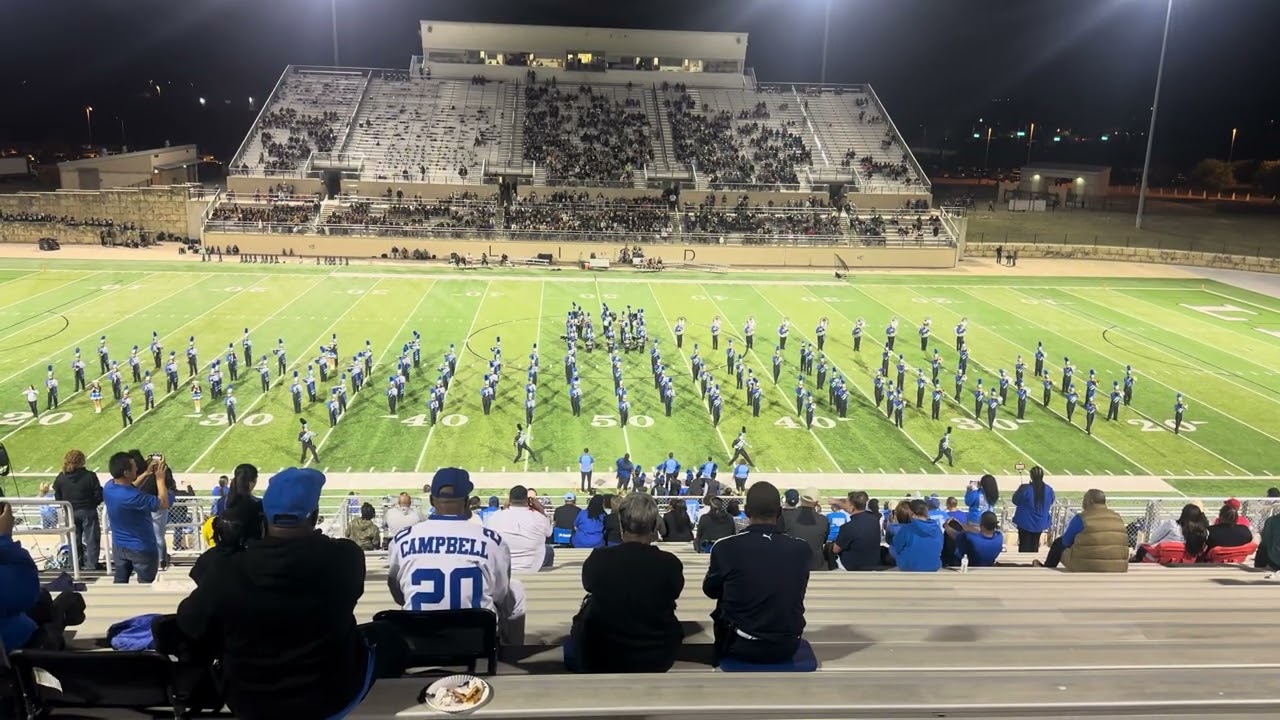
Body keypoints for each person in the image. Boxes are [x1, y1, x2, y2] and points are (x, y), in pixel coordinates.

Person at [174, 467, 397, 719]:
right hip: (331, 699)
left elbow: (189, 624)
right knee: (385, 633)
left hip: (250, 703)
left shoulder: (226, 570)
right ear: (314, 517)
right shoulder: (346, 558)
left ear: (264, 518)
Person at [387, 468, 526, 645]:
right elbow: (500, 593)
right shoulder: (492, 541)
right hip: (476, 641)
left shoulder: (401, 540)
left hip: (419, 639)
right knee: (517, 589)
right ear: (467, 501)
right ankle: (514, 654)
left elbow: (398, 595)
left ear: (431, 500)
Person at [568, 493, 684, 673]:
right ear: (653, 526)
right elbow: (674, 592)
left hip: (601, 654)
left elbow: (589, 585)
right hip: (657, 656)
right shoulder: (670, 563)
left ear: (621, 524)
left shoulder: (599, 558)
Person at [703, 481, 810, 665]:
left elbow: (711, 591)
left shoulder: (725, 547)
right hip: (788, 645)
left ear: (746, 511)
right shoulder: (801, 548)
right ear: (779, 512)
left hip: (741, 645)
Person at [103, 451, 171, 583]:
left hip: (119, 547)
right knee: (146, 586)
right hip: (141, 548)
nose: (137, 469)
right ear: (126, 473)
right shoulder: (134, 497)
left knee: (120, 583)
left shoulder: (109, 487)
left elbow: (130, 486)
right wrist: (160, 479)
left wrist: (146, 474)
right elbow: (163, 503)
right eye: (134, 466)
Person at [1038, 489, 1128, 572]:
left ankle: (1047, 568)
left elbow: (1066, 542)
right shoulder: (1117, 517)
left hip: (1087, 566)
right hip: (1119, 567)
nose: (1082, 503)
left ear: (1090, 501)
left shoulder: (1081, 518)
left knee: (1058, 543)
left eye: (1084, 500)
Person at [52, 449, 102, 571]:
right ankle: (91, 565)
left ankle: (75, 565)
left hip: (70, 512)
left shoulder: (61, 478)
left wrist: (65, 506)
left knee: (73, 541)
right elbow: (98, 494)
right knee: (92, 540)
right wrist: (92, 504)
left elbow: (57, 496)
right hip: (88, 511)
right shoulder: (90, 476)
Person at [486, 485, 554, 573]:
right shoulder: (540, 518)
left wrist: (504, 508)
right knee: (548, 550)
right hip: (533, 567)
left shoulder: (495, 517)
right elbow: (549, 533)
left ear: (509, 500)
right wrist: (541, 509)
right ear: (527, 500)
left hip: (504, 566)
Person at [1132, 503, 1208, 563]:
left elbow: (1153, 539)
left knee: (1141, 548)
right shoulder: (1202, 533)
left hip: (1159, 559)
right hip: (1186, 562)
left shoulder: (1172, 525)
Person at [832, 492, 883, 571]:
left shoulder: (848, 527)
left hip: (852, 567)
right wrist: (837, 502)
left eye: (847, 503)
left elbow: (835, 549)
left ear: (852, 507)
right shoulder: (874, 519)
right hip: (872, 564)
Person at [889, 499, 944, 572]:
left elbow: (896, 546)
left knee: (892, 547)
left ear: (911, 513)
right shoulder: (937, 529)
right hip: (933, 566)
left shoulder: (907, 529)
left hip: (909, 567)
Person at [783, 488, 831, 571]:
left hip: (791, 564)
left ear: (801, 499)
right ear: (816, 503)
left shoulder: (787, 517)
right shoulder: (823, 520)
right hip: (816, 565)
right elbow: (823, 540)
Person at [1011, 466, 1055, 551]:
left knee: (1024, 546)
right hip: (1040, 524)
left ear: (1031, 476)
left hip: (1025, 523)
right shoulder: (1049, 490)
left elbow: (1015, 500)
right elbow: (1051, 501)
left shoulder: (1025, 489)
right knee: (1034, 546)